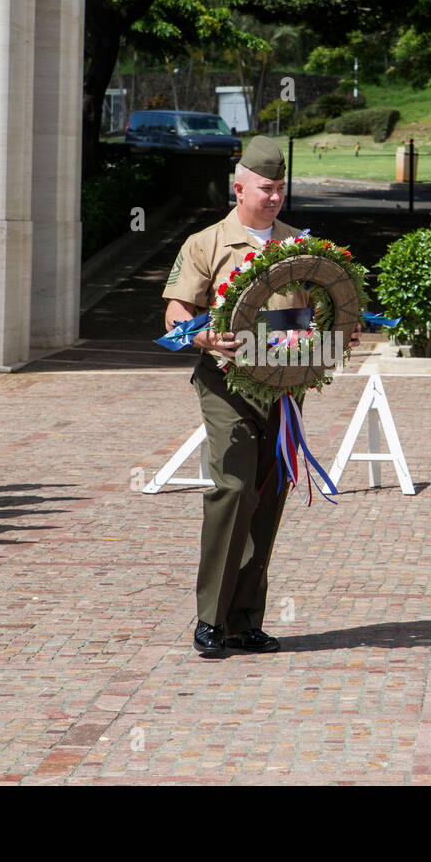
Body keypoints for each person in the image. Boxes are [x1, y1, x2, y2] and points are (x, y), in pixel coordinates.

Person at [161, 136, 357, 658]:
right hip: (226, 383)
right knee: (232, 489)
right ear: (239, 186)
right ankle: (210, 618)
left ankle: (246, 620)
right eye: (265, 188)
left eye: (280, 189)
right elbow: (177, 313)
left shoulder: (300, 245)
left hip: (284, 389)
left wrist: (338, 332)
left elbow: (322, 308)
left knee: (269, 496)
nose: (273, 197)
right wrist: (204, 336)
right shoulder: (206, 243)